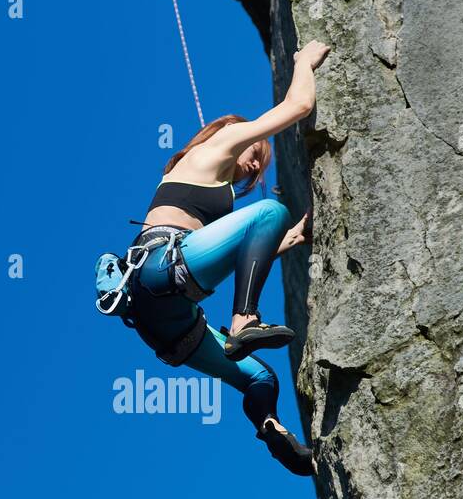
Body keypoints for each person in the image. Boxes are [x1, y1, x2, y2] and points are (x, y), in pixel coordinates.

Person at [127, 39, 330, 475]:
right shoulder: (222, 141)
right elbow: (298, 105)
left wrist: (291, 239)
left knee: (261, 378)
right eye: (258, 157)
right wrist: (304, 60)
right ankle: (244, 320)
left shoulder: (196, 180)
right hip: (163, 266)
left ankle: (273, 429)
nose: (258, 169)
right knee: (270, 210)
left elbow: (238, 252)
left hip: (165, 323)